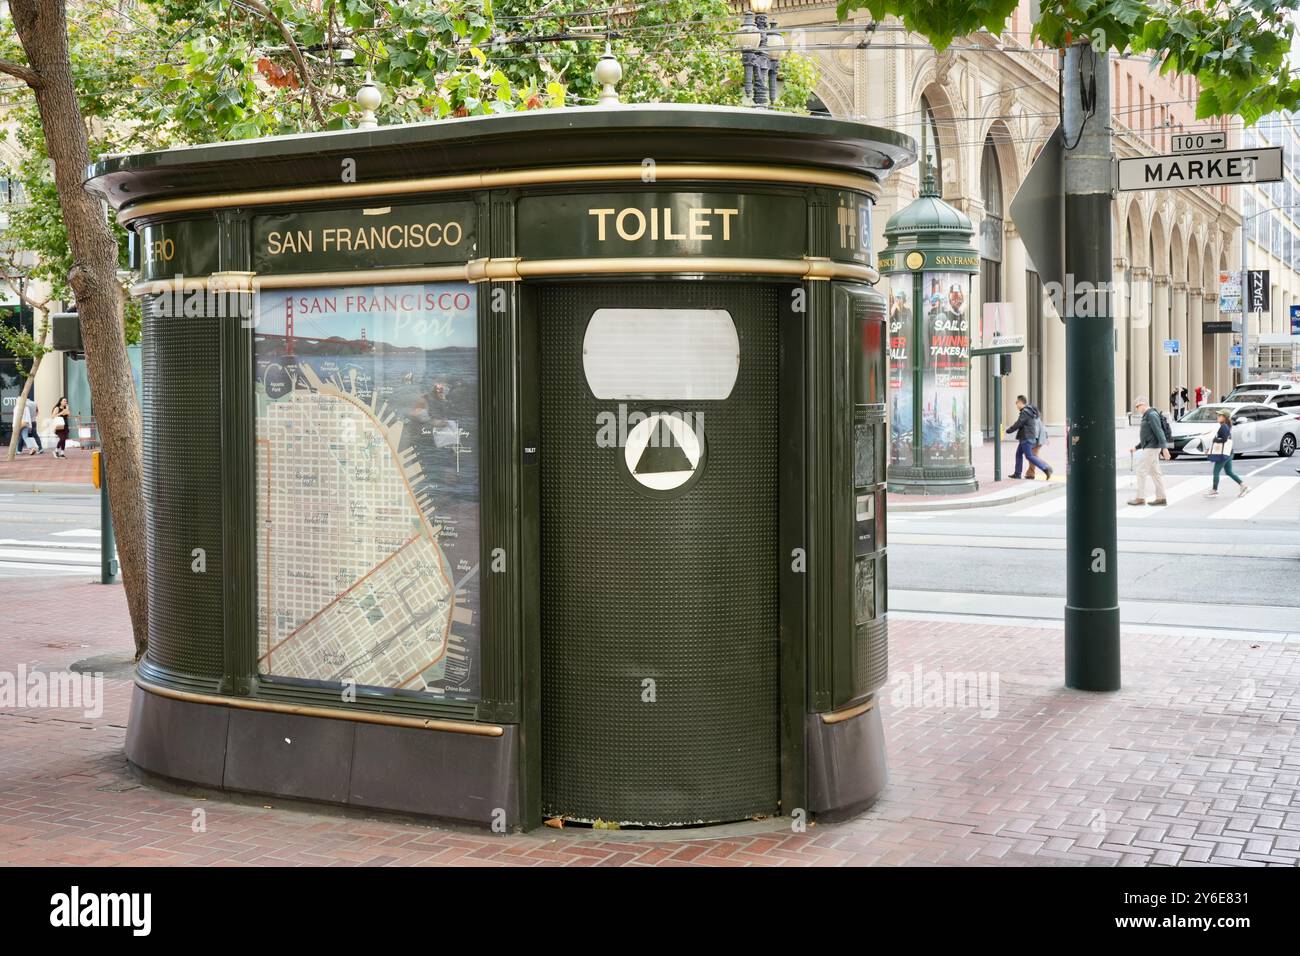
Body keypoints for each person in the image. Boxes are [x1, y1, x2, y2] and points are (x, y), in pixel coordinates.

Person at [1129, 397, 1168, 506]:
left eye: (1137, 406)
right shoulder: (1148, 415)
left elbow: (1158, 431)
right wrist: (1136, 447)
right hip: (1151, 447)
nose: (1137, 409)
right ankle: (1161, 498)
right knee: (1156, 473)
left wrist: (1164, 448)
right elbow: (1148, 435)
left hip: (1151, 448)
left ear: (1142, 404)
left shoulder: (1151, 415)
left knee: (1141, 471)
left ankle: (1140, 498)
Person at [1202, 410, 1248, 498]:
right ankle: (1243, 486)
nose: (1218, 417)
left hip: (1224, 454)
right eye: (1218, 415)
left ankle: (1214, 490)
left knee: (1216, 471)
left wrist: (1214, 440)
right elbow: (1224, 440)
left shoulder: (1223, 427)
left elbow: (1223, 440)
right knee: (1229, 472)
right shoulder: (1226, 426)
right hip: (1229, 453)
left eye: (1220, 415)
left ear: (1225, 417)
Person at [1006, 395, 1052, 480]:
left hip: (1026, 437)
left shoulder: (1025, 412)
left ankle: (1046, 468)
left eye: (1016, 403)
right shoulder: (1029, 411)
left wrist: (1008, 430)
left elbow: (1019, 423)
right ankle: (1017, 473)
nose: (1016, 405)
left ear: (1020, 402)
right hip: (1026, 437)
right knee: (1018, 454)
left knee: (1029, 456)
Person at [1024, 405, 1051, 479]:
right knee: (1032, 457)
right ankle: (1030, 473)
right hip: (1039, 441)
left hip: (1036, 441)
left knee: (1032, 457)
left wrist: (1031, 441)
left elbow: (1035, 431)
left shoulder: (1034, 419)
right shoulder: (1037, 417)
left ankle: (1046, 468)